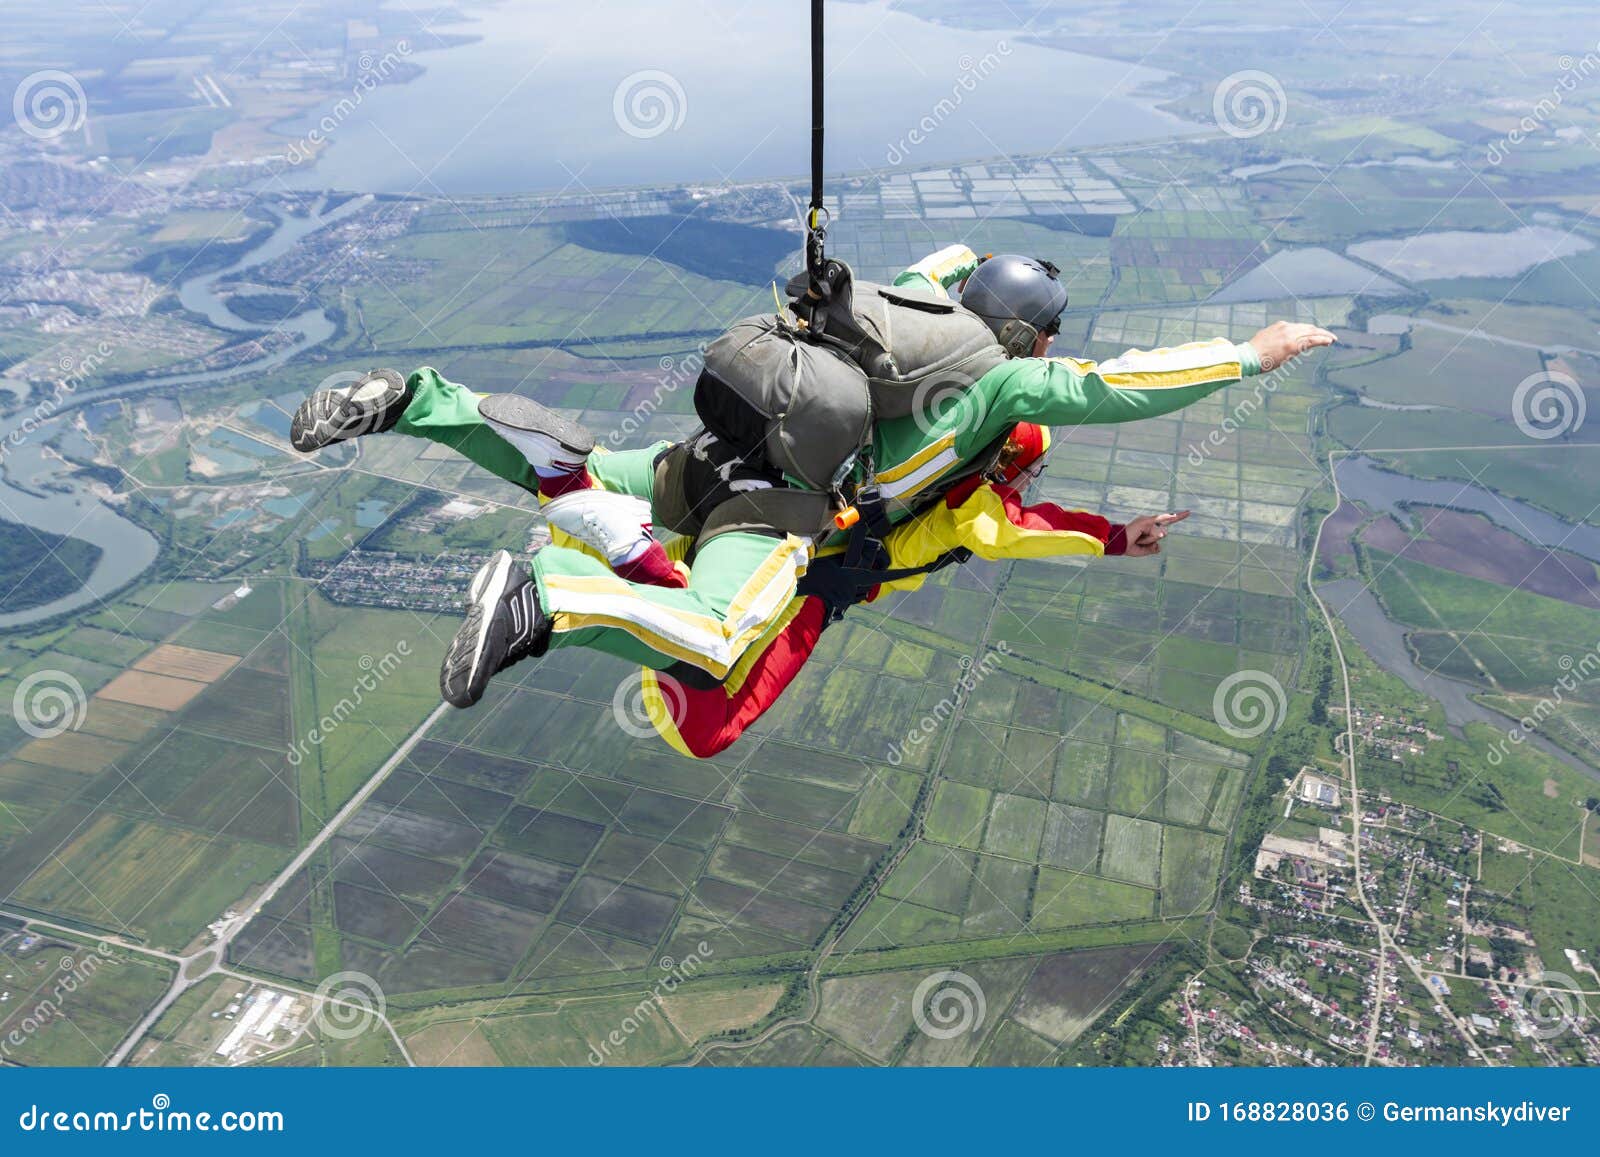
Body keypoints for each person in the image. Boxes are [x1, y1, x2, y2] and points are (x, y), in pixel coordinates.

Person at [290, 244, 1334, 710]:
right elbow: (1117, 387)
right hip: (773, 507)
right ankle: (549, 600)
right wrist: (1252, 352)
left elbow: (939, 262)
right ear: (1025, 334)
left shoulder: (907, 308)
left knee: (573, 468)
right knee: (719, 635)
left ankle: (417, 399)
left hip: (704, 456)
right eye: (1043, 334)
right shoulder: (1004, 385)